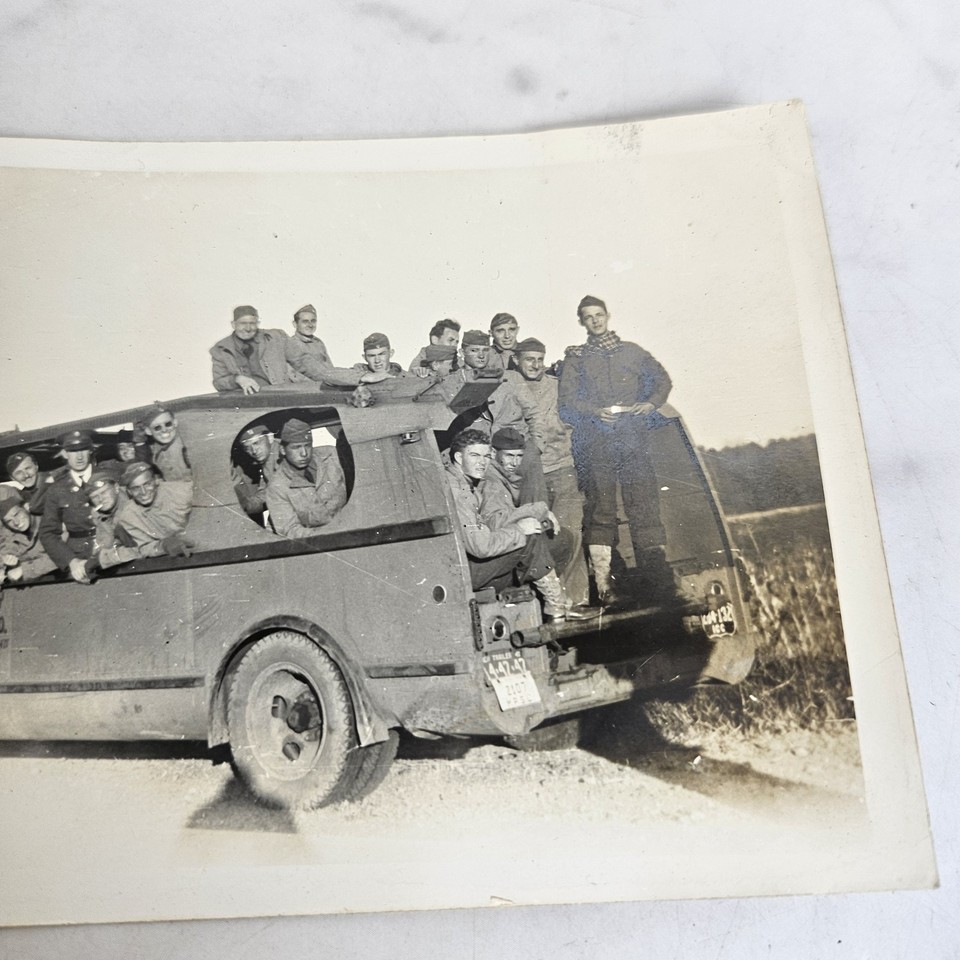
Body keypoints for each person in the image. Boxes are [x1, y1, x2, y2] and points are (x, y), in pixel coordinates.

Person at [558, 295, 674, 604]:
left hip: (633, 436)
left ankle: (657, 578)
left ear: (608, 316)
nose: (595, 320)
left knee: (643, 503)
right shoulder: (577, 358)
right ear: (581, 321)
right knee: (602, 509)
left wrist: (650, 403)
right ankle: (605, 584)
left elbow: (662, 380)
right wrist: (593, 411)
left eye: (599, 314)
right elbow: (568, 400)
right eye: (588, 316)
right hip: (597, 438)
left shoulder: (632, 352)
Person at [445, 428, 576, 622]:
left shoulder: (467, 483)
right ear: (458, 457)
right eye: (474, 455)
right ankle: (556, 607)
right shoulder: (458, 491)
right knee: (529, 538)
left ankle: (545, 603)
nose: (482, 462)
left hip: (470, 566)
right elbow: (480, 547)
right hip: (462, 573)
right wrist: (520, 529)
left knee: (560, 539)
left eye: (485, 456)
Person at [515, 336, 591, 608]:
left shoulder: (558, 388)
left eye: (539, 360)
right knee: (539, 538)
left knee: (572, 532)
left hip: (562, 469)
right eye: (529, 360)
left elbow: (577, 417)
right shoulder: (511, 386)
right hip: (530, 477)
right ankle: (549, 602)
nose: (535, 365)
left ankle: (577, 599)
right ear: (517, 360)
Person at [454, 329, 549, 504]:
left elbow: (534, 414)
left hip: (516, 446)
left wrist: (536, 446)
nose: (481, 356)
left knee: (534, 491)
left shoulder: (511, 378)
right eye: (474, 350)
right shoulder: (454, 382)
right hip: (484, 452)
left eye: (485, 350)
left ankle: (538, 525)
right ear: (462, 352)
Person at [265, 419, 347, 538]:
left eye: (307, 446)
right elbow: (289, 530)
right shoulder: (276, 487)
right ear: (283, 450)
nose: (303, 453)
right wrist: (328, 534)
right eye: (296, 447)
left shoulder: (332, 456)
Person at [39, 430, 101, 584]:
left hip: (109, 547)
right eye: (73, 451)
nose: (79, 456)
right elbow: (48, 533)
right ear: (65, 454)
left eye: (83, 450)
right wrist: (71, 561)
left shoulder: (107, 475)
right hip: (78, 558)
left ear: (90, 450)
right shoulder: (56, 489)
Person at [114, 462, 194, 557]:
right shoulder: (128, 517)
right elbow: (143, 548)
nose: (143, 492)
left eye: (147, 484)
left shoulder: (183, 491)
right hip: (174, 558)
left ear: (156, 481)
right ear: (129, 492)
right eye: (136, 488)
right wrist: (163, 546)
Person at [284, 303, 374, 387]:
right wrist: (360, 377)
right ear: (295, 324)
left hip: (323, 385)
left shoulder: (317, 342)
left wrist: (357, 372)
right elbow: (318, 373)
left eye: (313, 321)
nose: (310, 325)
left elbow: (330, 369)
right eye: (305, 321)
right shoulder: (293, 345)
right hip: (306, 390)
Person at [210, 305, 291, 394]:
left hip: (280, 395)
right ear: (233, 324)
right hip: (245, 400)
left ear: (257, 324)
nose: (248, 328)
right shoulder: (221, 348)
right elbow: (219, 383)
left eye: (252, 323)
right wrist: (237, 379)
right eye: (243, 323)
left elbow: (298, 362)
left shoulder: (275, 337)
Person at [0, 488, 57, 584]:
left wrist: (24, 570)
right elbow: (7, 551)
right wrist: (7, 567)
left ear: (26, 507)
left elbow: (63, 556)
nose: (16, 522)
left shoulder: (51, 521)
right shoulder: (11, 533)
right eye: (9, 521)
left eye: (16, 514)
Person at [232, 423, 280, 525]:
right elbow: (265, 494)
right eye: (247, 448)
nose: (253, 451)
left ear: (270, 438)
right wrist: (245, 504)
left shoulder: (283, 456)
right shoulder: (268, 460)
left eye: (257, 443)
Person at [137, 404, 192, 481]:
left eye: (168, 424)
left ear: (175, 423)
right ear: (148, 431)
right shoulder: (156, 451)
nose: (164, 430)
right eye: (157, 427)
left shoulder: (187, 444)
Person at [4, 451, 61, 515]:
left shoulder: (56, 480)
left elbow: (36, 507)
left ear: (36, 466)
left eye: (28, 468)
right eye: (19, 473)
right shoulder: (23, 495)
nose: (26, 475)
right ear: (13, 478)